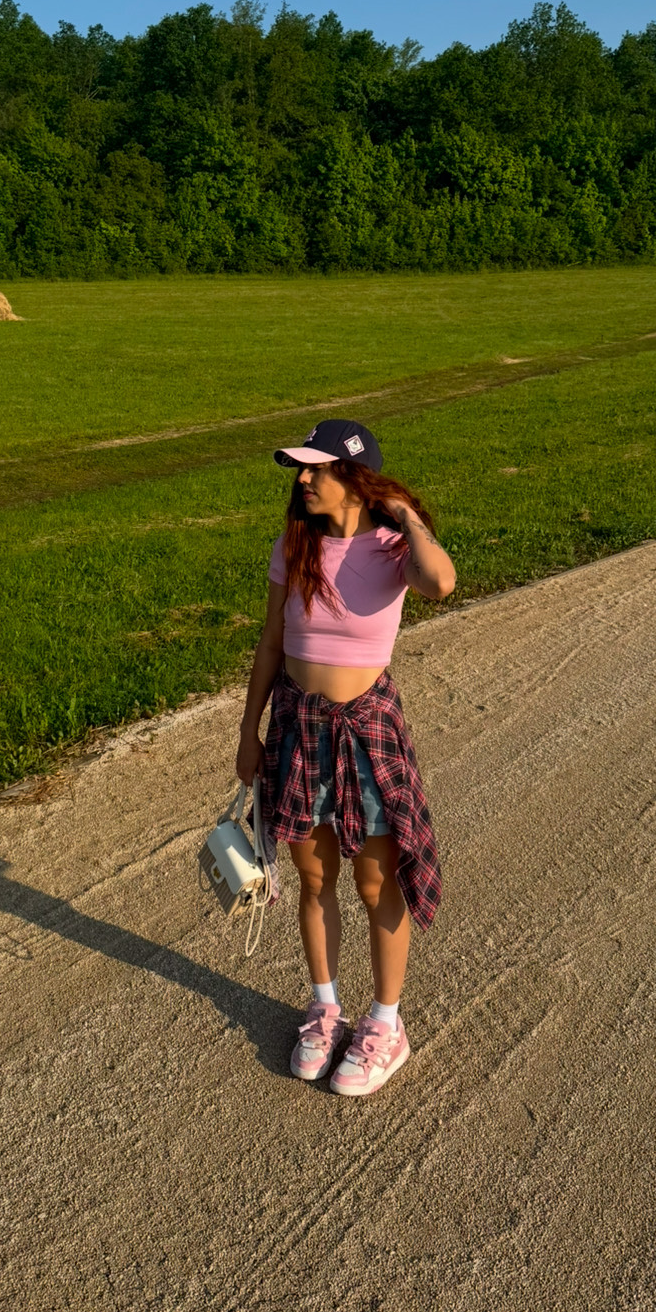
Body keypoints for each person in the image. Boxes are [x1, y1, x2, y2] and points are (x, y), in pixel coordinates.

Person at [236, 419, 456, 1097]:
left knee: (373, 882)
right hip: (299, 723)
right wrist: (249, 731)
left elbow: (441, 583)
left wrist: (408, 517)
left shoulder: (393, 548)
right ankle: (324, 1008)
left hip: (366, 730)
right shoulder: (292, 547)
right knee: (312, 878)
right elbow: (271, 643)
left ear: (355, 477)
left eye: (317, 469)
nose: (302, 479)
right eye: (299, 470)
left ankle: (386, 1025)